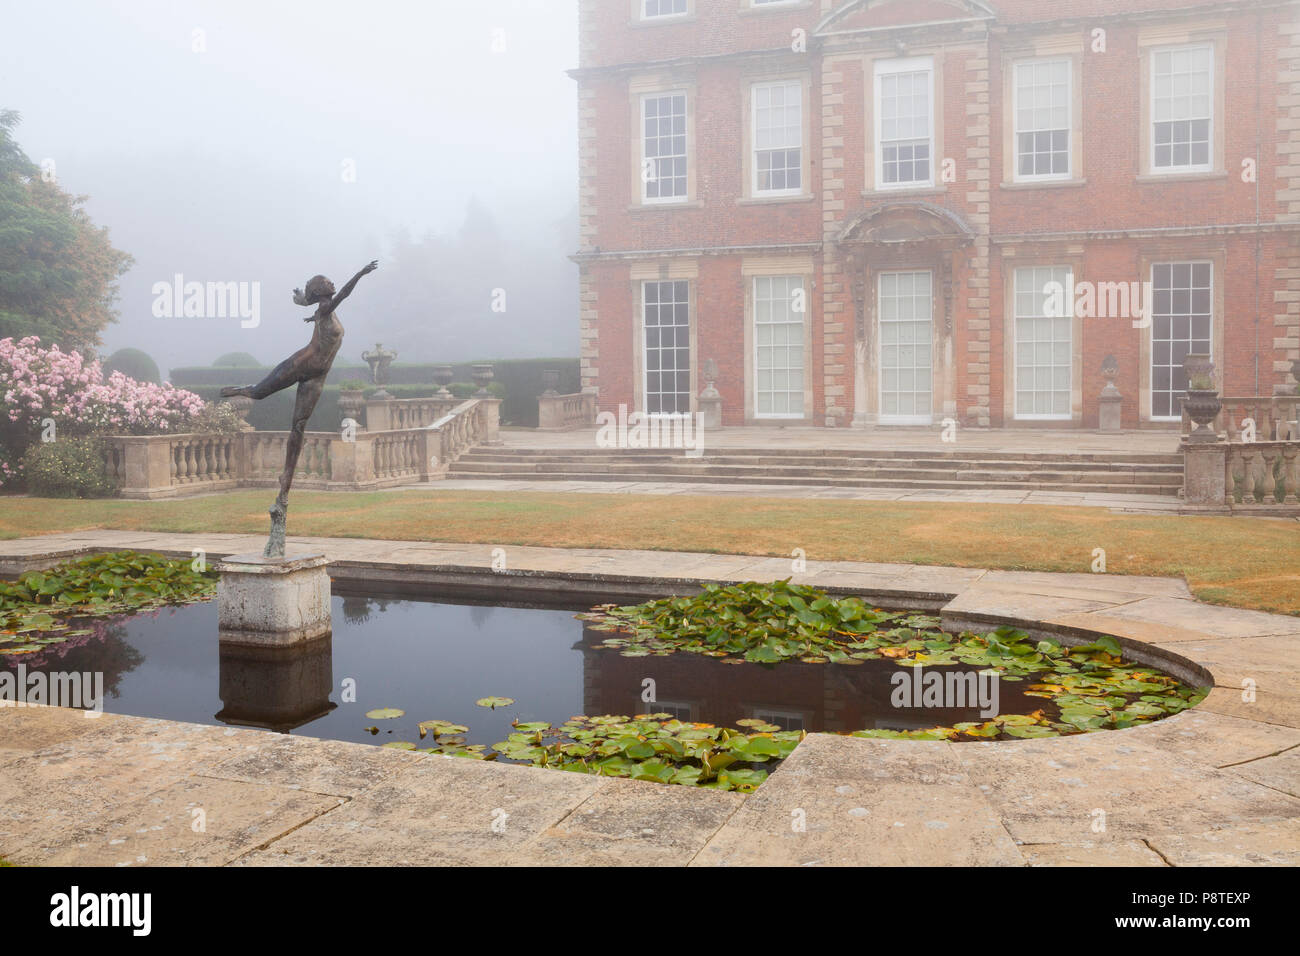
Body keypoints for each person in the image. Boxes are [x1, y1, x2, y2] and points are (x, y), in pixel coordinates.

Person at [221, 259, 379, 557]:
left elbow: (327, 318)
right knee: (259, 392)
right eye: (328, 282)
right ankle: (239, 389)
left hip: (318, 374)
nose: (332, 284)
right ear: (322, 291)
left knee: (298, 427)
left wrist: (309, 317)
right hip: (303, 363)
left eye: (331, 281)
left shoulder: (323, 312)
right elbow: (344, 293)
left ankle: (284, 491)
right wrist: (360, 273)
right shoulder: (325, 308)